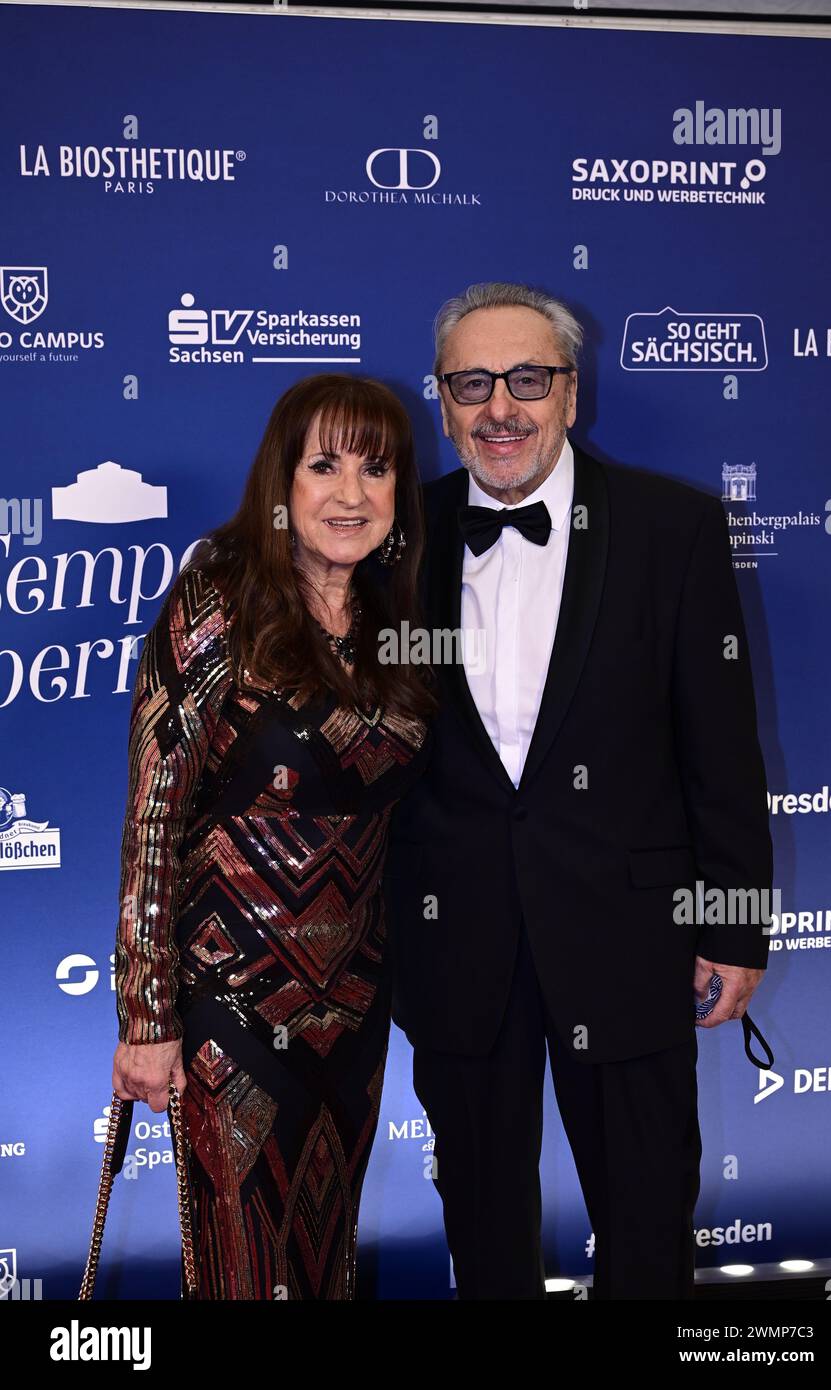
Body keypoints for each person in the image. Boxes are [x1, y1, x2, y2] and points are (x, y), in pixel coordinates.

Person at [384, 281, 773, 1300]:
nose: (498, 407)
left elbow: (722, 751)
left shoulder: (670, 528)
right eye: (472, 383)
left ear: (569, 390)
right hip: (458, 938)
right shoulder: (396, 539)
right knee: (482, 1221)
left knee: (646, 1226)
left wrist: (732, 928)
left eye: (526, 379)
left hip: (630, 935)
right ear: (442, 399)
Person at [112, 373, 433, 1299]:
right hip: (230, 1012)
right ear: (280, 484)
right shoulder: (218, 603)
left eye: (376, 470)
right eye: (322, 465)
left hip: (354, 1010)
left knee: (325, 1257)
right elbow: (153, 818)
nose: (350, 494)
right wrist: (145, 1016)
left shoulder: (393, 619)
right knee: (245, 1266)